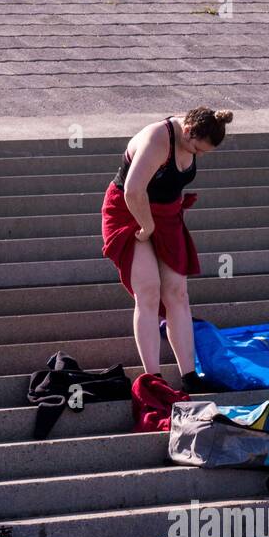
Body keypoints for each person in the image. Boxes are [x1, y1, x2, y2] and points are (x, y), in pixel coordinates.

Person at [101, 107, 234, 390]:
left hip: (167, 215)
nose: (197, 155)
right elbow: (133, 191)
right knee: (148, 290)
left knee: (177, 292)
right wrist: (147, 228)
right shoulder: (156, 138)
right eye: (196, 148)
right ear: (187, 131)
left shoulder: (194, 133)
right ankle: (154, 378)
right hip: (129, 212)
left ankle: (189, 376)